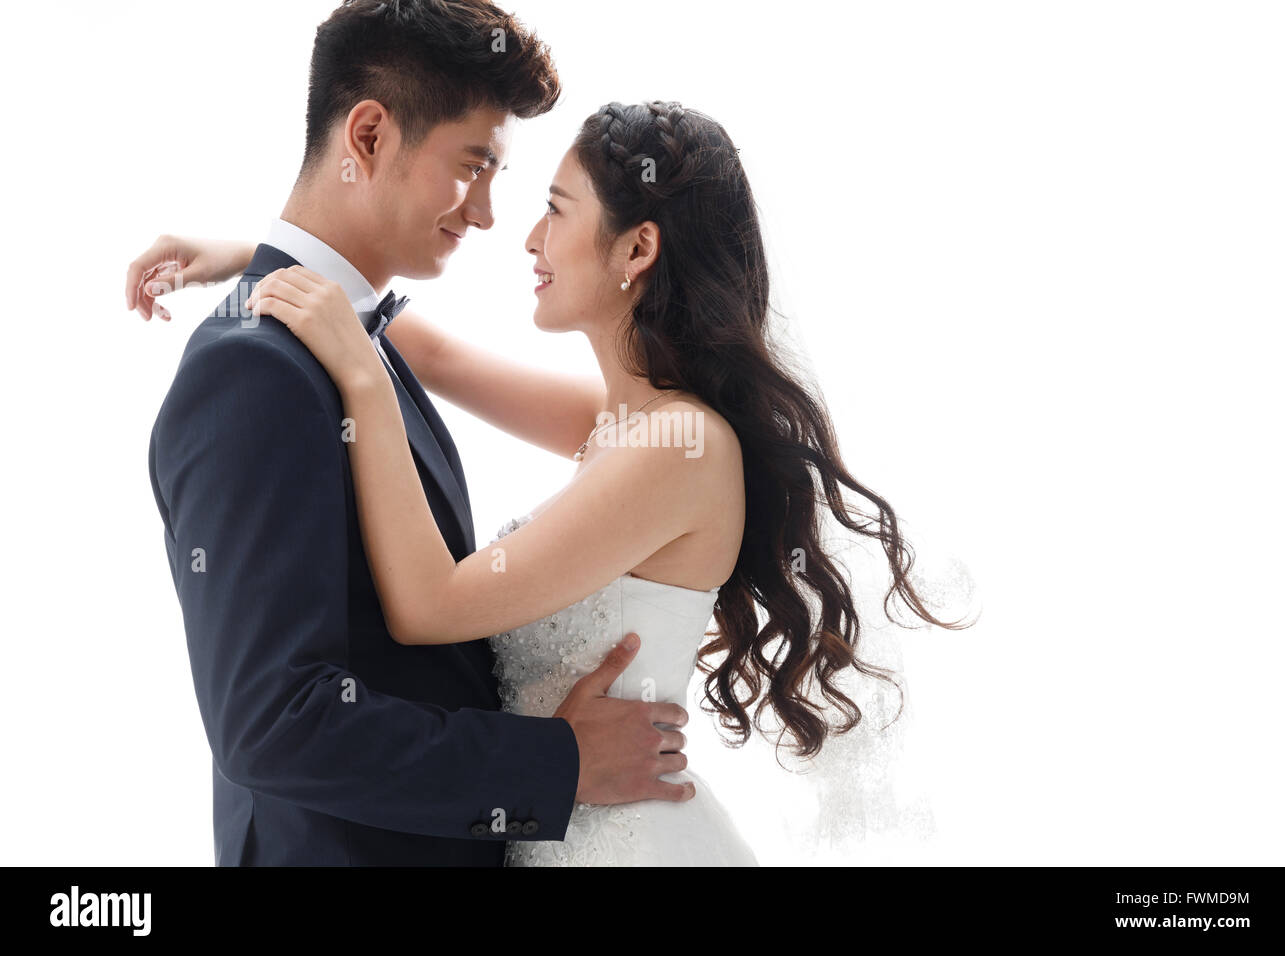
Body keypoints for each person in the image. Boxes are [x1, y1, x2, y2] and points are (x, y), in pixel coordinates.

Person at [133, 88, 969, 863]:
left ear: (637, 248)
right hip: (555, 827)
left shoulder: (679, 446)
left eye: (555, 211)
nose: (527, 238)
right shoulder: (627, 423)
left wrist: (362, 385)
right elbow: (417, 341)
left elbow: (430, 606)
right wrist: (251, 256)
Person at [138, 0, 700, 868]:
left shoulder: (353, 335)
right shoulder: (252, 372)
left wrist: (258, 255)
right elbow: (273, 726)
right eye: (473, 168)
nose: (485, 216)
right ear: (368, 137)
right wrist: (563, 765)